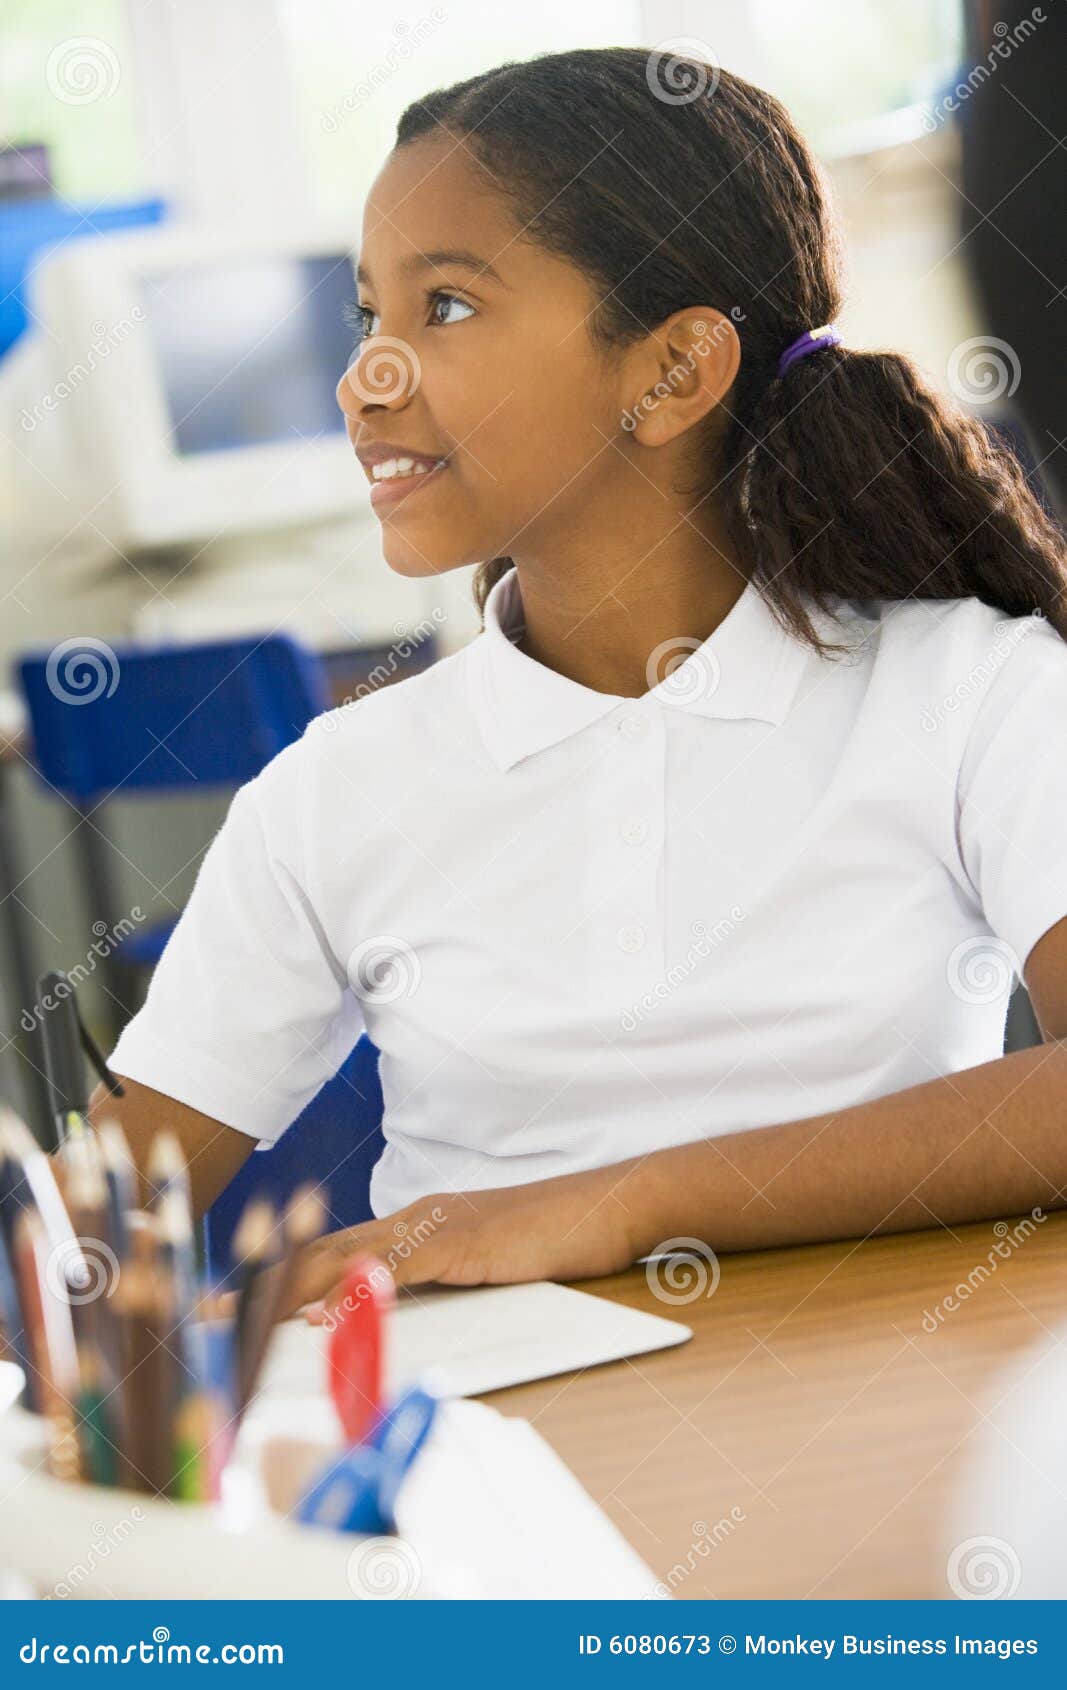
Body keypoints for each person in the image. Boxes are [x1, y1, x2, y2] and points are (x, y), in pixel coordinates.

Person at [92, 48, 1067, 1315]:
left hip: (869, 1419)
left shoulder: (969, 691)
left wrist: (606, 1204)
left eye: (443, 307)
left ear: (671, 372)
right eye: (366, 317)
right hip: (487, 1455)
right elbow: (100, 1215)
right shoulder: (331, 791)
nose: (363, 381)